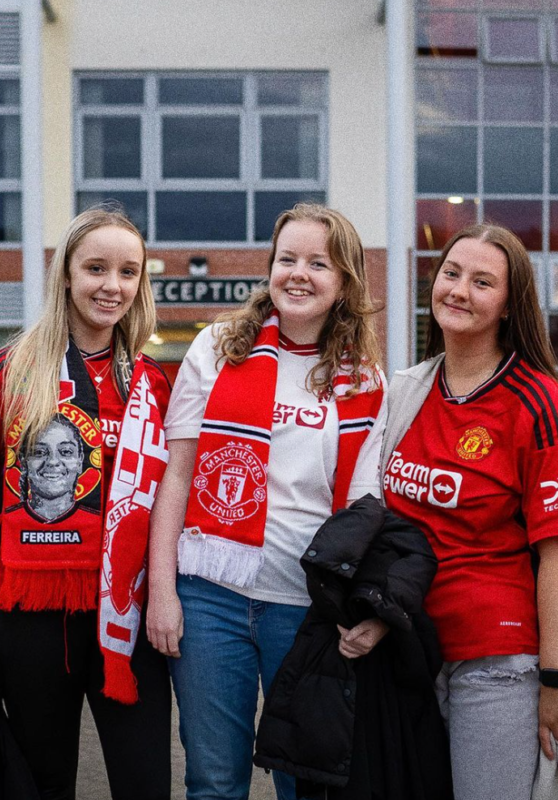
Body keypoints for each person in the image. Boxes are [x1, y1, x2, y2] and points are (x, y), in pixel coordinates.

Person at [146, 203, 387, 800]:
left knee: (303, 783)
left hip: (305, 607)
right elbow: (177, 476)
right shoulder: (217, 347)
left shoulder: (366, 382)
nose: (298, 274)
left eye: (318, 263)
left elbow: (367, 513)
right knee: (213, 781)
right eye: (287, 259)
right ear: (271, 267)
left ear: (345, 282)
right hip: (209, 598)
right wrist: (162, 592)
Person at [0, 206, 172, 800]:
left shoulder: (151, 382)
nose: (112, 286)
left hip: (126, 613)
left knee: (145, 783)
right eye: (96, 268)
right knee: (40, 785)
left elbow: (169, 504)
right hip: (29, 616)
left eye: (128, 272)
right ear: (65, 274)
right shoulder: (9, 370)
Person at [380, 224, 558, 800]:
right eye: (451, 273)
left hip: (496, 660)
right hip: (408, 649)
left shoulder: (539, 405)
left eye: (482, 282)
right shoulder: (408, 391)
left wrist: (557, 678)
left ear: (509, 304)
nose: (459, 290)